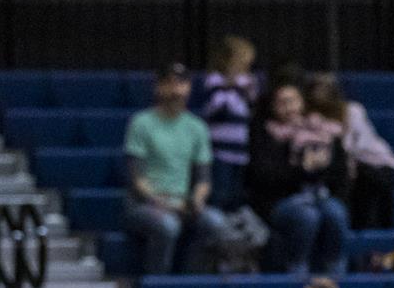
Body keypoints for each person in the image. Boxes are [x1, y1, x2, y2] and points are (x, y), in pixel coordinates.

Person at [124, 65, 233, 275]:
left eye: (181, 83)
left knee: (215, 222)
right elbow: (137, 178)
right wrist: (161, 202)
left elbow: (203, 178)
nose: (176, 90)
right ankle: (157, 284)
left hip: (182, 203)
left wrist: (197, 200)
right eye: (170, 83)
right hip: (145, 203)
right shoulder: (141, 123)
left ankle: (190, 281)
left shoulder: (197, 127)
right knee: (167, 226)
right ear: (158, 87)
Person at [248, 81, 350, 275]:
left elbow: (340, 174)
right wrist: (302, 169)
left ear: (302, 103)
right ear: (272, 107)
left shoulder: (322, 131)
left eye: (292, 100)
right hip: (282, 201)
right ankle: (297, 272)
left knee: (336, 213)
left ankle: (335, 277)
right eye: (281, 102)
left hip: (322, 196)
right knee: (307, 216)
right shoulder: (266, 134)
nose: (288, 107)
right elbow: (265, 178)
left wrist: (321, 169)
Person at [306, 73, 394, 231]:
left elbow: (357, 143)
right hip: (349, 166)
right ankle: (360, 229)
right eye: (316, 90)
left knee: (376, 177)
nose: (320, 95)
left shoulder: (352, 110)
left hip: (377, 161)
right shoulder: (313, 118)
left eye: (325, 90)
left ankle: (385, 230)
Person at [197, 35, 258, 212]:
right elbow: (217, 107)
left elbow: (252, 105)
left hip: (240, 150)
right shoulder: (214, 80)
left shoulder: (247, 82)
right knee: (220, 194)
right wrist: (232, 85)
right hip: (220, 151)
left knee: (235, 195)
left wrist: (245, 87)